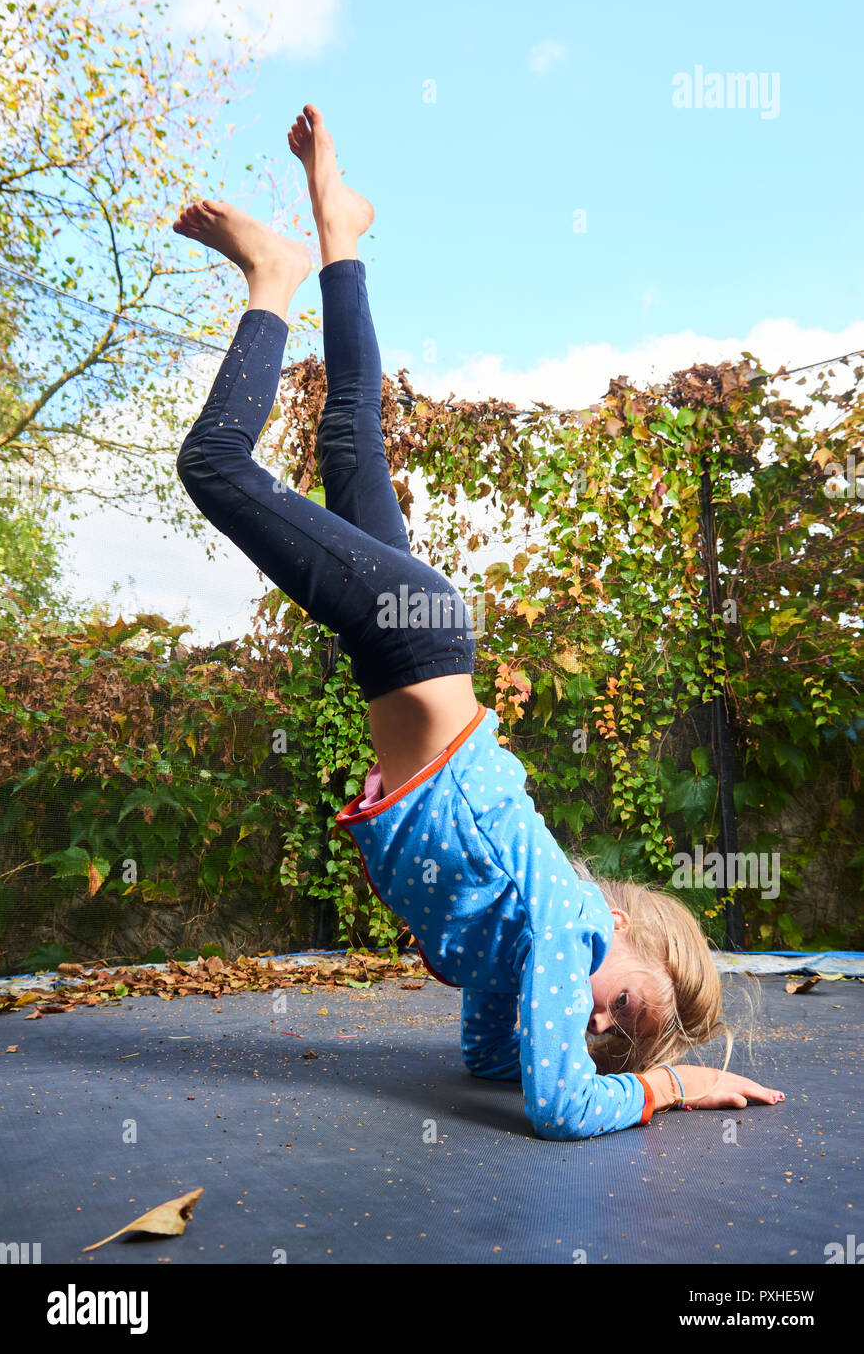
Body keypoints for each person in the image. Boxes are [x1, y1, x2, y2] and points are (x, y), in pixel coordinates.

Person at [174, 104, 784, 1140]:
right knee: (216, 467)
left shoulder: (525, 948)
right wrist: (672, 1085)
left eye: (607, 1037)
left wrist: (597, 1052)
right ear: (628, 928)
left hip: (409, 644)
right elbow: (555, 1107)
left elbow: (496, 1060)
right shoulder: (567, 924)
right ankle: (273, 278)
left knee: (351, 443)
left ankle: (342, 229)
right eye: (626, 1007)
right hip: (412, 644)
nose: (596, 1018)